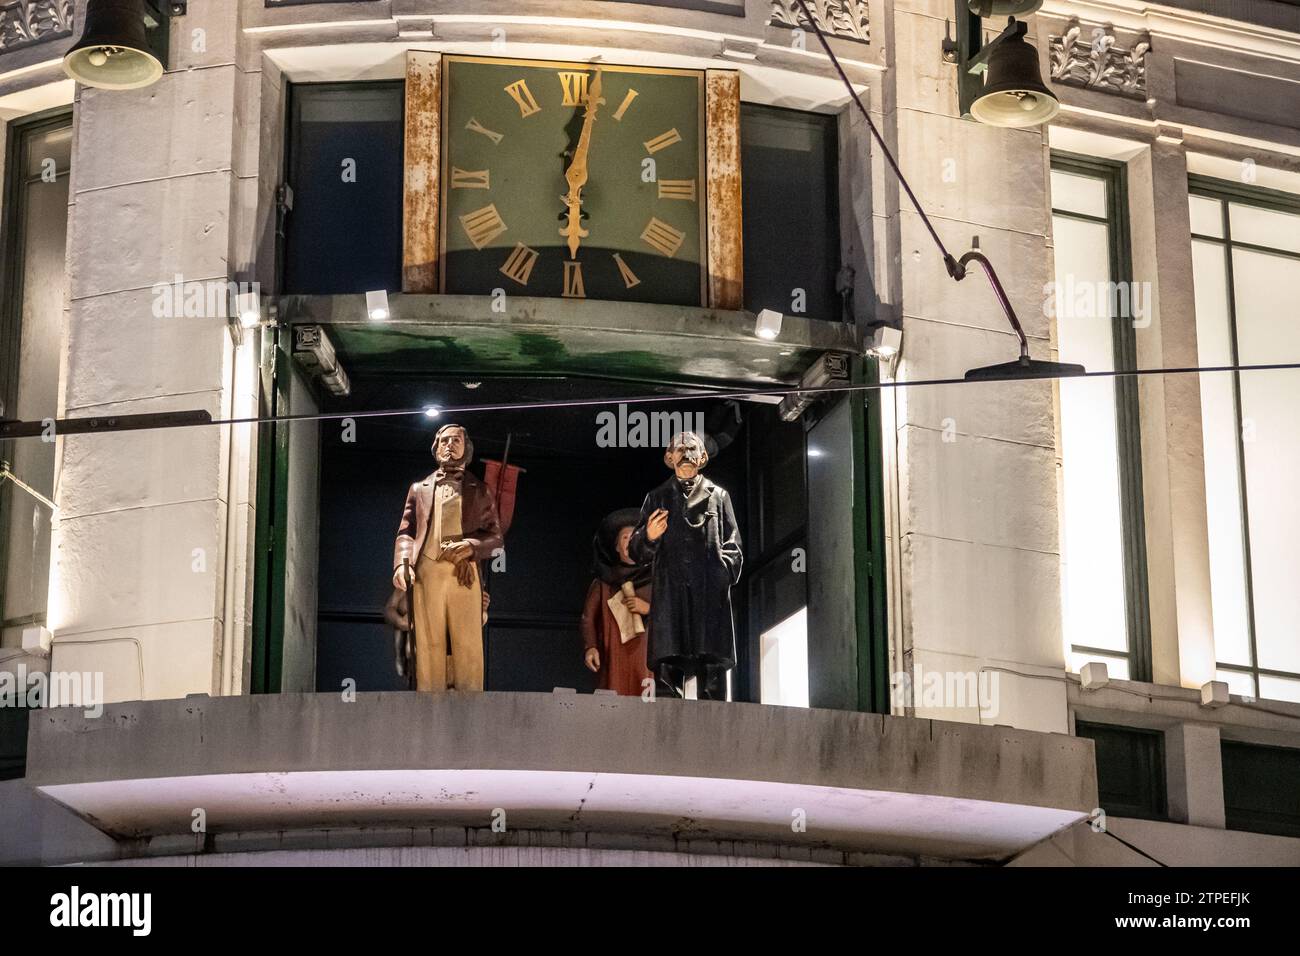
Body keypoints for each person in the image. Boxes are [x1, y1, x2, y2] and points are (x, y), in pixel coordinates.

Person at [629, 431, 742, 700]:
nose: (687, 454)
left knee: (711, 668)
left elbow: (733, 543)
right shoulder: (657, 497)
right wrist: (649, 536)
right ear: (669, 458)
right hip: (672, 591)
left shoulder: (719, 496)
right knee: (669, 663)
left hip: (708, 591)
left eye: (693, 449)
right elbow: (636, 550)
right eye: (680, 449)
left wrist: (722, 572)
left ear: (703, 457)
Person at [392, 424, 502, 692]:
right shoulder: (419, 489)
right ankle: (429, 707)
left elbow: (496, 538)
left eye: (455, 440)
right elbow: (406, 531)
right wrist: (402, 563)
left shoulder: (479, 490)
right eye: (443, 441)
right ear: (435, 447)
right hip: (427, 572)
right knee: (429, 642)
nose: (449, 445)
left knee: (468, 642)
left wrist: (471, 546)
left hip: (463, 575)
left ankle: (471, 706)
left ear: (466, 448)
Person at [580, 508, 653, 697]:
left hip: (643, 653)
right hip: (612, 652)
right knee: (613, 695)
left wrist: (648, 608)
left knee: (643, 700)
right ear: (616, 546)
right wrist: (591, 647)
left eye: (635, 538)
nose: (630, 543)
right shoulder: (604, 581)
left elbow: (670, 615)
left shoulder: (653, 580)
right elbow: (588, 617)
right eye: (625, 538)